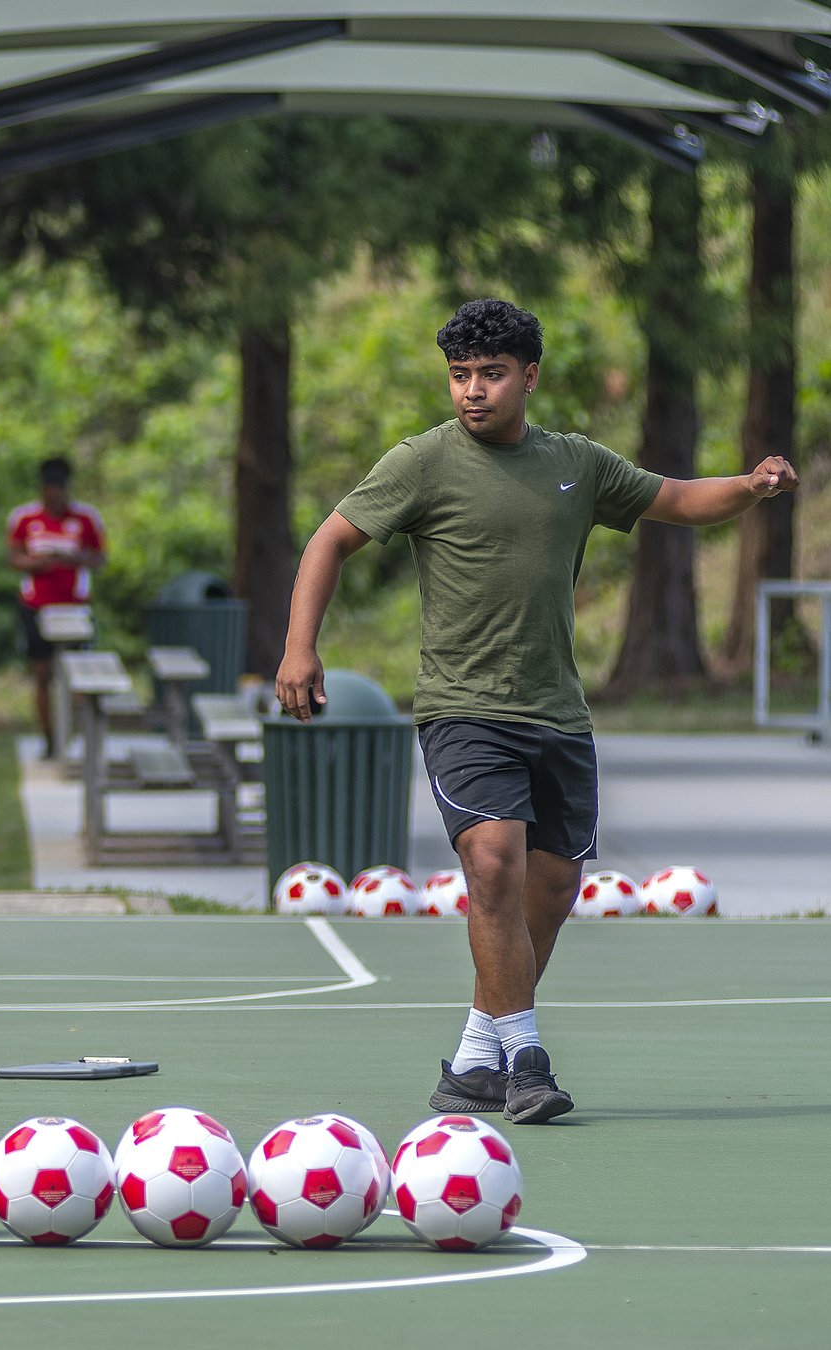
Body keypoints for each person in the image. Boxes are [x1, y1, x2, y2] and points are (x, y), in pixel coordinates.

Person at [275, 298, 796, 1125]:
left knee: (551, 890)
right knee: (492, 866)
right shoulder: (422, 462)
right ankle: (525, 1059)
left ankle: (474, 1061)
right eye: (459, 376)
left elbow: (676, 500)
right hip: (463, 708)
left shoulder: (576, 464)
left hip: (556, 713)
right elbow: (329, 540)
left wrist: (749, 485)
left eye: (491, 374)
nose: (472, 391)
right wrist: (300, 647)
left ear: (530, 377)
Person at [7, 457, 107, 757]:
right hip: (36, 607)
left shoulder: (86, 518)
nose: (54, 494)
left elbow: (100, 558)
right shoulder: (25, 518)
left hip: (74, 609)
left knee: (78, 676)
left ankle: (74, 734)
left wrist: (75, 559)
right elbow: (13, 557)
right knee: (42, 674)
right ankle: (49, 737)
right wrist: (38, 563)